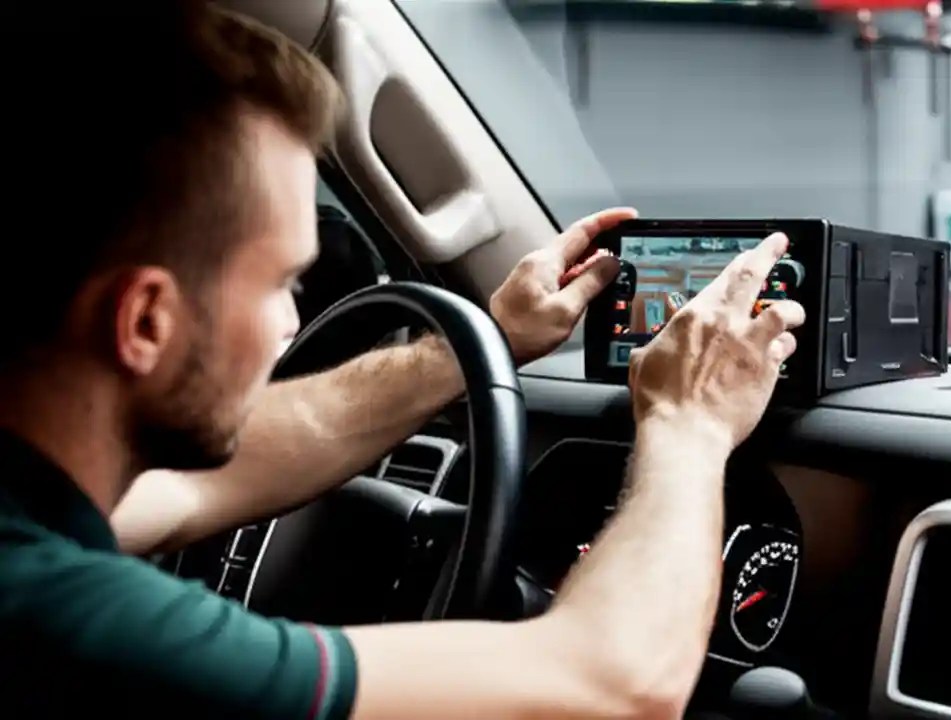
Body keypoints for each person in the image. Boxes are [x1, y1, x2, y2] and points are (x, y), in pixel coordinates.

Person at [0, 3, 804, 719]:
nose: (292, 321)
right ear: (145, 321)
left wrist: (487, 341)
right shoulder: (64, 616)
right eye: (284, 283)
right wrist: (688, 425)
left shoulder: (37, 504)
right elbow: (610, 689)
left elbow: (232, 465)